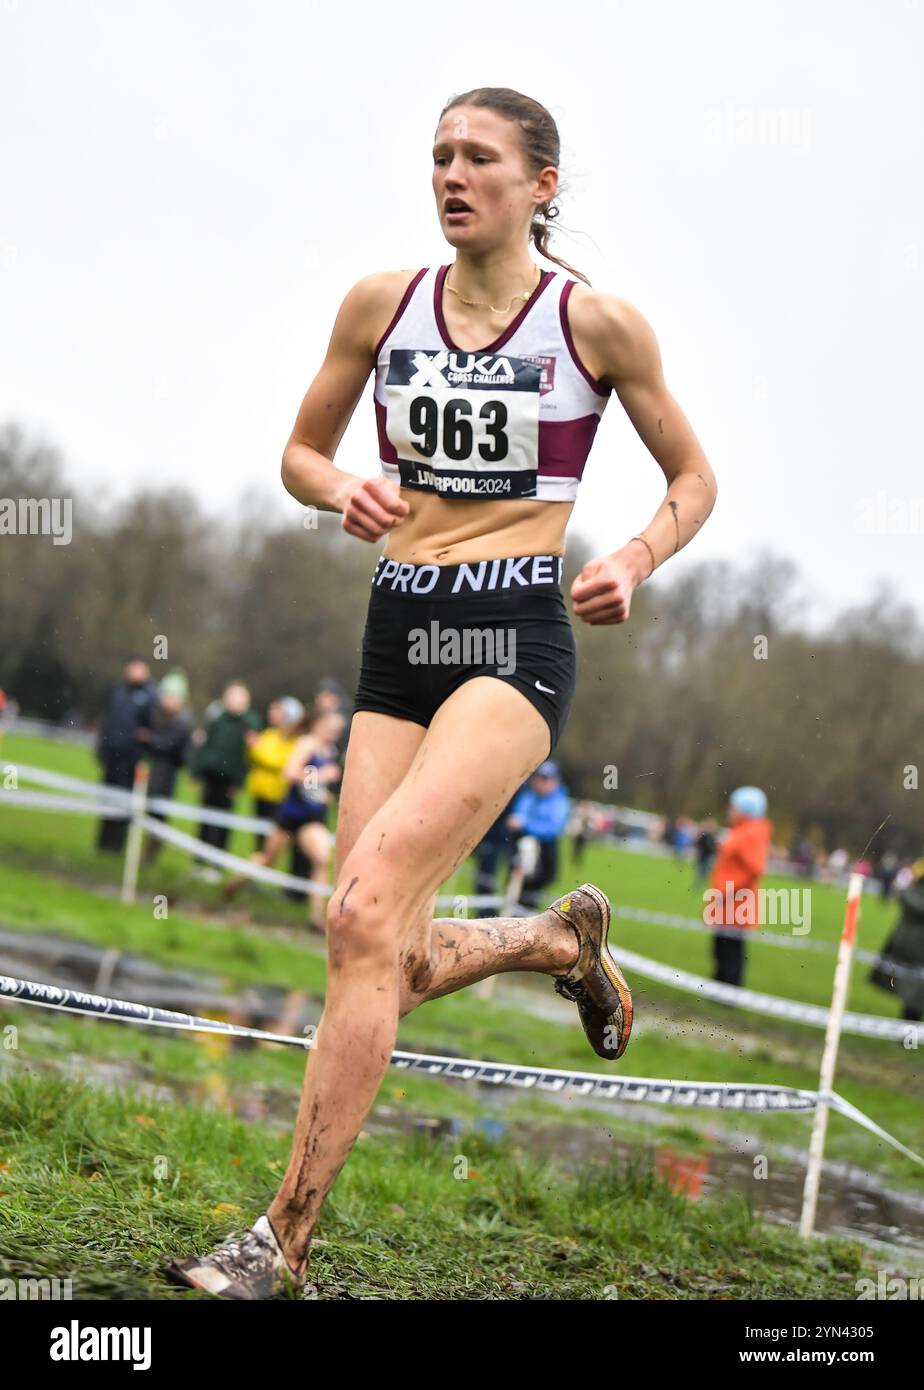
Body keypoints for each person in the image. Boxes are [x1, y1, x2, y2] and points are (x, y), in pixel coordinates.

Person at [166, 85, 716, 1297]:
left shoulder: (595, 327)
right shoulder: (383, 304)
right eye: (439, 156)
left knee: (362, 914)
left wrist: (631, 554)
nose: (452, 175)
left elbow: (692, 476)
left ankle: (279, 1244)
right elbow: (299, 453)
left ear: (542, 185)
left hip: (513, 635)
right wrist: (336, 490)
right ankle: (556, 941)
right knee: (379, 947)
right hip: (395, 632)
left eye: (479, 157)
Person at [224, 708, 344, 930]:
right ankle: (234, 883)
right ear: (318, 724)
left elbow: (313, 786)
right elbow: (289, 773)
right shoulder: (306, 744)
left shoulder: (330, 751)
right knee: (269, 859)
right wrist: (318, 777)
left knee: (322, 859)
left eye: (337, 730)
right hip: (291, 814)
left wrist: (322, 792)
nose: (333, 733)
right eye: (330, 728)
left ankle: (316, 918)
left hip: (313, 817)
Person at [188, 682, 261, 874]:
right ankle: (199, 860)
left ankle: (216, 865)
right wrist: (197, 773)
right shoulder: (217, 720)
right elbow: (206, 747)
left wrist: (239, 782)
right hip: (211, 777)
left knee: (223, 823)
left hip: (230, 782)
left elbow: (248, 757)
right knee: (205, 819)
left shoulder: (249, 723)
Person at [705, 786, 772, 987]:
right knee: (721, 948)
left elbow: (756, 868)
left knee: (730, 951)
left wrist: (728, 892)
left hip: (735, 904)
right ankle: (719, 987)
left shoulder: (750, 833)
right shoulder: (741, 831)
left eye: (733, 807)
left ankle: (728, 992)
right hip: (728, 903)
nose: (729, 810)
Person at [94, 657, 157, 852]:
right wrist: (102, 749)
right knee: (107, 801)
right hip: (112, 756)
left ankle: (117, 846)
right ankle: (102, 844)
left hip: (131, 761)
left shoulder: (150, 697)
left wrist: (142, 753)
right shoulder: (118, 692)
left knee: (125, 805)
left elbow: (151, 729)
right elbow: (107, 722)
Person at [140, 670, 194, 862]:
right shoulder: (161, 716)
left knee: (158, 813)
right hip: (157, 769)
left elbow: (169, 745)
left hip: (166, 773)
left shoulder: (182, 721)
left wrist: (150, 739)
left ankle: (151, 853)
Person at [507, 760, 571, 908]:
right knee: (514, 892)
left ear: (555, 781)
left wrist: (526, 825)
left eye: (545, 779)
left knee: (530, 898)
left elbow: (553, 828)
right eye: (539, 778)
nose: (540, 782)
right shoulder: (528, 796)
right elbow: (516, 816)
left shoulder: (560, 801)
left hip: (543, 854)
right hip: (521, 850)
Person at [244, 697, 306, 850]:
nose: (273, 714)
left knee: (272, 841)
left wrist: (256, 748)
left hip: (277, 795)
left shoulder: (293, 740)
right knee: (259, 837)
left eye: (278, 711)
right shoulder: (270, 733)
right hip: (261, 792)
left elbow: (280, 762)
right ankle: (259, 868)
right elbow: (253, 757)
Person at [869, 859, 924, 1022]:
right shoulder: (915, 892)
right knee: (914, 1001)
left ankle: (908, 1040)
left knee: (914, 999)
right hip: (916, 952)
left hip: (915, 951)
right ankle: (908, 1041)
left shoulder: (912, 893)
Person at [693, 817, 718, 885]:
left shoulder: (711, 836)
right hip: (703, 856)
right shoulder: (704, 836)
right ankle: (699, 884)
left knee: (706, 872)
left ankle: (701, 884)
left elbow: (713, 846)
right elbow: (699, 844)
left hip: (707, 856)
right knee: (701, 872)